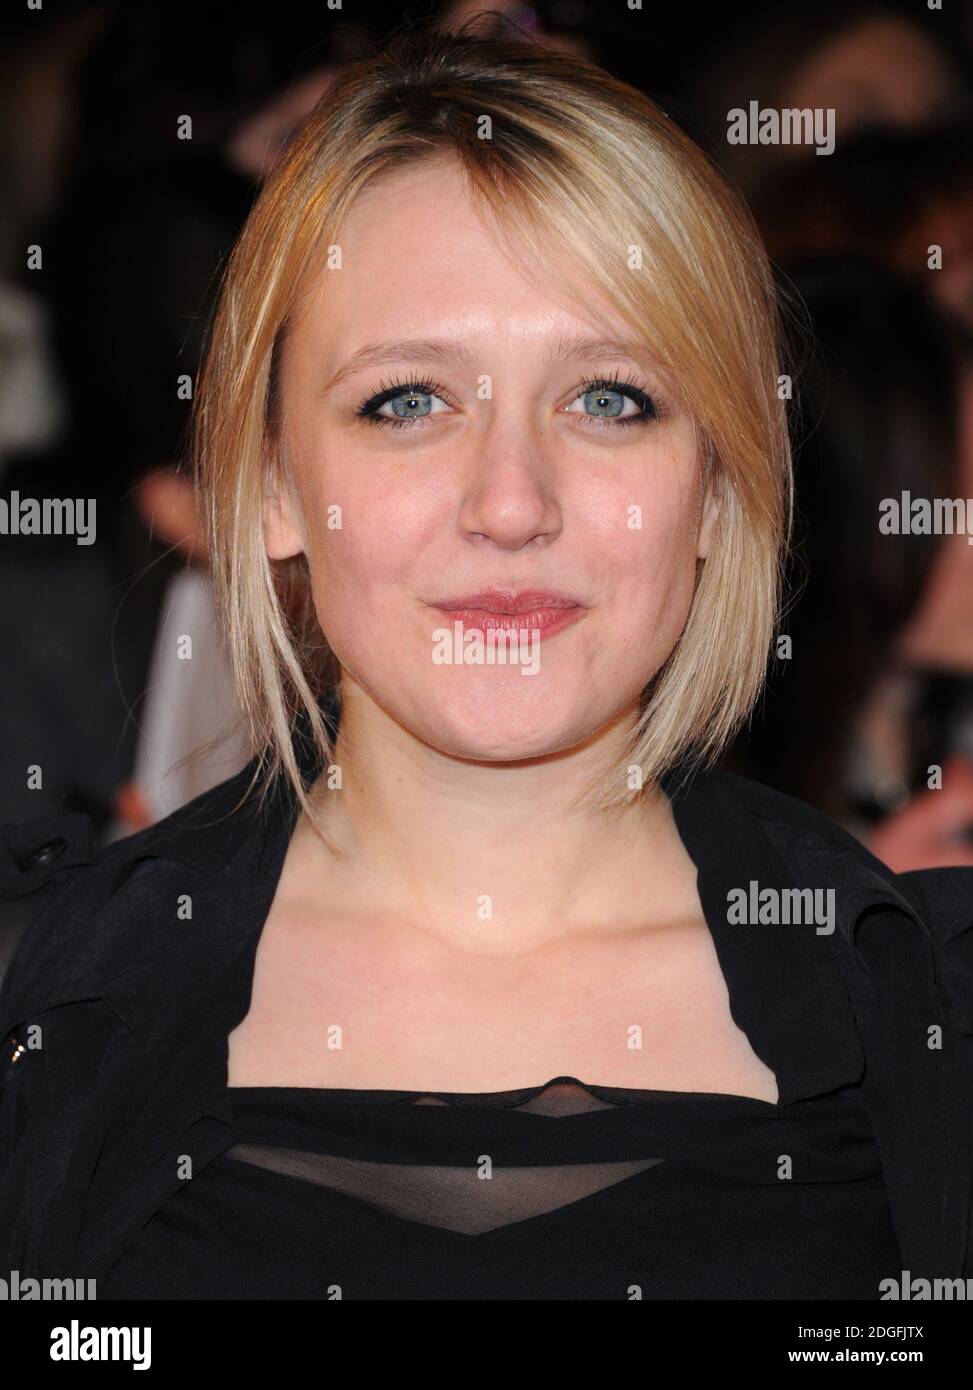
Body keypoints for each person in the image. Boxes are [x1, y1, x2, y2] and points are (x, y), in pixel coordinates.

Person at [1, 25, 972, 1303]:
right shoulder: (46, 1013)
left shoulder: (922, 1009)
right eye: (407, 400)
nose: (510, 501)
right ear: (273, 485)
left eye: (610, 398)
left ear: (719, 491)